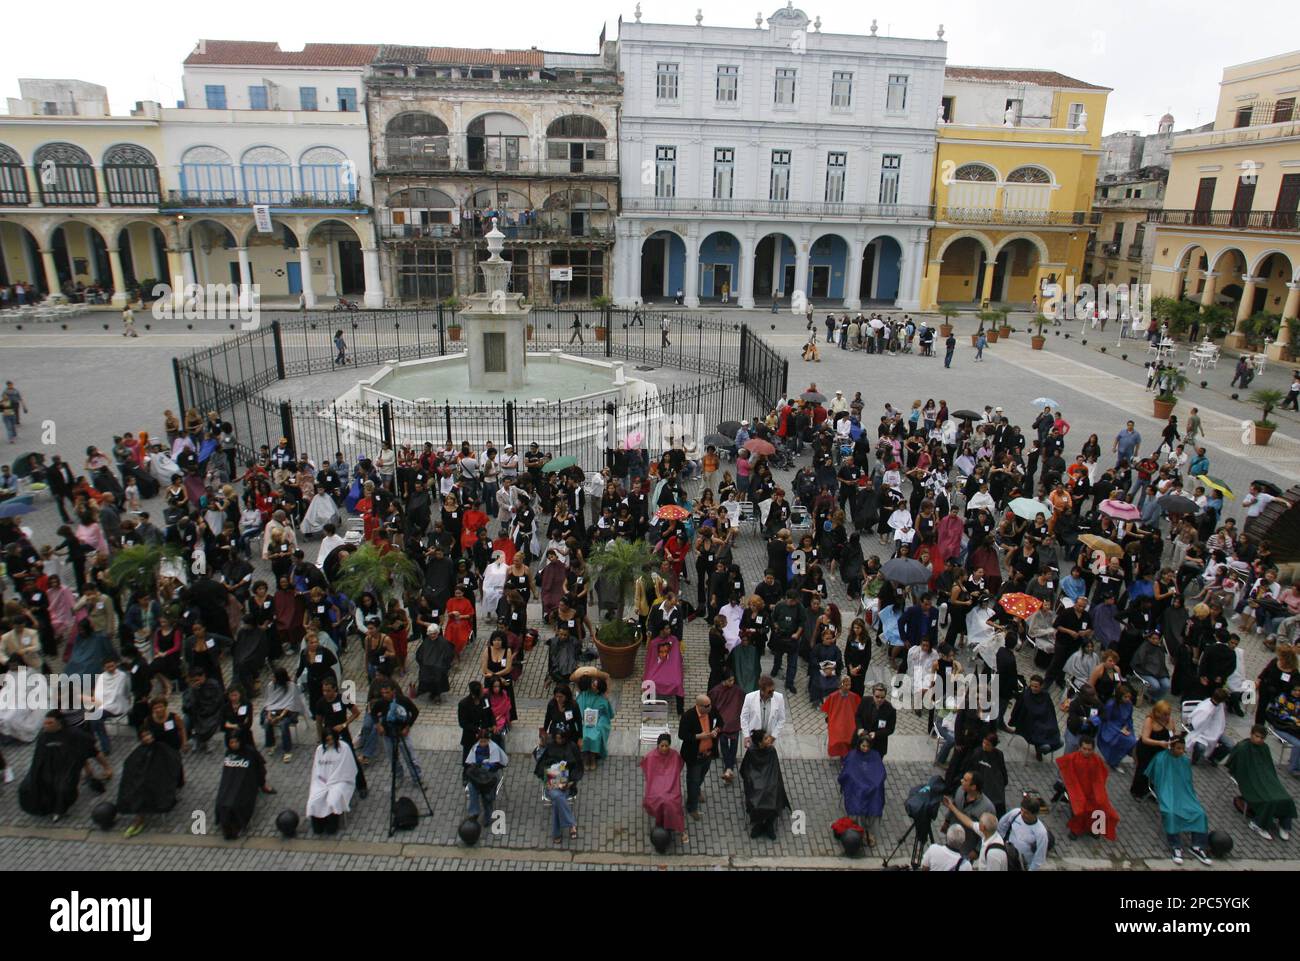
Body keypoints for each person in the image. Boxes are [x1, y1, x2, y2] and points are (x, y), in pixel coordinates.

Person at [19, 712, 112, 821]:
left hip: (68, 769)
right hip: (49, 768)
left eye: (50, 723)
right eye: (45, 723)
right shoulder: (44, 737)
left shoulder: (75, 735)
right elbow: (39, 758)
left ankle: (59, 810)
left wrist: (107, 768)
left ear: (59, 723)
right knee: (30, 785)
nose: (46, 726)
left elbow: (92, 752)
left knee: (62, 786)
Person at [1145, 736, 1213, 865]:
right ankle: (1175, 846)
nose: (1182, 751)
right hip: (1167, 793)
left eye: (1183, 748)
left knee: (1199, 813)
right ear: (1171, 747)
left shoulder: (1185, 761)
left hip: (1184, 793)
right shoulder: (1160, 759)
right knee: (1171, 813)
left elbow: (1187, 782)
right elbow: (1158, 780)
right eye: (1178, 748)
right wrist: (1164, 791)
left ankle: (1197, 846)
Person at [1225, 725, 1296, 840]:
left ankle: (1284, 825)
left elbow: (1268, 767)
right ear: (1251, 734)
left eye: (1262, 738)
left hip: (1266, 779)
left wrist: (1269, 779)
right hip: (1250, 781)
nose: (1259, 740)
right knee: (1269, 800)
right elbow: (1235, 766)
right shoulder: (1242, 748)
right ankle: (1257, 824)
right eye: (1256, 736)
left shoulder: (1265, 748)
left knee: (1286, 798)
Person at [117, 724, 183, 838]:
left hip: (158, 780)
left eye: (148, 734)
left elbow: (173, 762)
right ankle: (139, 818)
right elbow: (130, 765)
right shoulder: (139, 752)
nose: (147, 737)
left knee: (143, 790)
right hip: (143, 780)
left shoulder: (162, 749)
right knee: (137, 790)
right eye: (144, 736)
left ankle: (138, 821)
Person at [1055, 735, 1119, 840]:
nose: (1087, 752)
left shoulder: (1097, 760)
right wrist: (1075, 792)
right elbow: (1067, 776)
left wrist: (1098, 793)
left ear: (1093, 750)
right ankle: (1075, 830)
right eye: (1084, 749)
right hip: (1075, 791)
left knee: (1100, 805)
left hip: (1092, 792)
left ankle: (1094, 829)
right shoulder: (1072, 758)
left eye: (1089, 750)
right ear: (1079, 747)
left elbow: (1100, 777)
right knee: (1080, 805)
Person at [214, 730, 273, 840]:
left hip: (245, 783)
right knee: (223, 801)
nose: (233, 745)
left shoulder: (250, 752)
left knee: (238, 800)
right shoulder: (228, 753)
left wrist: (262, 783)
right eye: (231, 743)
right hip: (230, 783)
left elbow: (260, 767)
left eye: (235, 742)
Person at [678, 693, 722, 821]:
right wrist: (699, 736)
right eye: (707, 706)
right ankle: (692, 807)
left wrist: (716, 730)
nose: (710, 707)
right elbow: (682, 735)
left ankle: (696, 792)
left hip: (708, 753)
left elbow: (720, 722)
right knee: (693, 780)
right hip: (694, 756)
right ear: (698, 706)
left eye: (710, 705)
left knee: (701, 776)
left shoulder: (712, 711)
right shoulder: (688, 716)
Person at [837, 731, 886, 847]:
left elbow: (881, 773)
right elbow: (847, 773)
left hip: (873, 790)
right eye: (863, 746)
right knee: (857, 805)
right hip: (857, 790)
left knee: (874, 806)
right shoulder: (852, 755)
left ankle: (871, 833)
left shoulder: (875, 756)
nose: (865, 748)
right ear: (859, 745)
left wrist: (874, 785)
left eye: (867, 746)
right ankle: (859, 831)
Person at [739, 728, 789, 840]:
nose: (769, 739)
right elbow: (745, 769)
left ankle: (769, 824)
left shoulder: (771, 751)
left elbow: (775, 769)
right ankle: (759, 824)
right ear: (759, 742)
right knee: (757, 797)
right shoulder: (751, 752)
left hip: (770, 781)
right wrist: (753, 780)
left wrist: (771, 781)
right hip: (755, 781)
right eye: (766, 738)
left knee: (772, 794)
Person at [534, 728, 582, 844]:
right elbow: (540, 765)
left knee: (557, 800)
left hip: (567, 783)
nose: (559, 740)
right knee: (557, 797)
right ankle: (571, 824)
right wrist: (550, 775)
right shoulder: (550, 747)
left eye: (561, 738)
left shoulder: (572, 747)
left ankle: (557, 833)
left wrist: (570, 782)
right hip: (551, 782)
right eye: (557, 738)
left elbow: (578, 768)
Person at [641, 732, 688, 846]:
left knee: (673, 803)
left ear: (669, 745)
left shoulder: (675, 755)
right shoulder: (651, 756)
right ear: (658, 745)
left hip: (671, 787)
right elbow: (648, 771)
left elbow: (678, 767)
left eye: (666, 746)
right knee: (657, 800)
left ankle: (681, 829)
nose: (664, 748)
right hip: (655, 788)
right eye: (662, 746)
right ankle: (662, 822)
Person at [306, 730, 357, 835]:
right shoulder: (320, 750)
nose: (330, 742)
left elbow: (347, 768)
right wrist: (323, 781)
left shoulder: (344, 748)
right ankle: (318, 826)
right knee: (314, 801)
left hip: (340, 781)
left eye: (332, 739)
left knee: (333, 800)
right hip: (322, 781)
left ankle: (332, 826)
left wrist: (333, 781)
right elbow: (317, 769)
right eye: (327, 740)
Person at [464, 728, 508, 826]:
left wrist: (487, 766)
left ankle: (487, 816)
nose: (483, 743)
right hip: (479, 774)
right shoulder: (475, 748)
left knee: (487, 793)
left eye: (485, 741)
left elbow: (496, 765)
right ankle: (474, 812)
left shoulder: (494, 748)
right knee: (472, 787)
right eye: (481, 741)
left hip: (490, 775)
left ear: (488, 740)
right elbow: (471, 762)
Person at [996, 794, 1051, 870]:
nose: (1022, 814)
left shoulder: (1041, 833)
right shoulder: (1015, 813)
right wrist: (1000, 841)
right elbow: (1002, 824)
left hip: (1022, 865)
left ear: (1034, 814)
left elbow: (1039, 857)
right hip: (1007, 856)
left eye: (1026, 812)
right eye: (1022, 810)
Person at [576, 676, 614, 770]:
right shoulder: (583, 695)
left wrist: (599, 724)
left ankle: (592, 757)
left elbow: (606, 715)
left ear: (597, 690)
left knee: (595, 735)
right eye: (593, 683)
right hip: (583, 722)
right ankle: (585, 755)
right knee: (584, 734)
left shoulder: (602, 700)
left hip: (597, 724)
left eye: (594, 685)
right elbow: (578, 709)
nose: (592, 684)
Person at [820, 674, 861, 758]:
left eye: (849, 685)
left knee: (849, 738)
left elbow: (858, 710)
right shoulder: (833, 696)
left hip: (849, 723)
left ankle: (846, 755)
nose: (848, 687)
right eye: (846, 685)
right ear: (840, 685)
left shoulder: (854, 696)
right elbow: (827, 709)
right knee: (838, 737)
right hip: (836, 722)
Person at [740, 676, 787, 748]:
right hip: (754, 739)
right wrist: (746, 736)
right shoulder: (749, 698)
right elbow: (744, 718)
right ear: (761, 691)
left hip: (769, 739)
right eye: (769, 692)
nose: (772, 693)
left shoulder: (779, 698)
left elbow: (781, 719)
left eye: (773, 690)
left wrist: (773, 736)